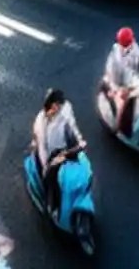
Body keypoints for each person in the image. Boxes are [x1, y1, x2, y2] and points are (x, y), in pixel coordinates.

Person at [32, 88, 86, 218]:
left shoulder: (65, 109)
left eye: (60, 105)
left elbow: (72, 126)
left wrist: (80, 140)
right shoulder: (41, 122)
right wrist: (46, 165)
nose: (60, 107)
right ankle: (52, 205)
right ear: (51, 106)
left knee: (82, 165)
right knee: (52, 176)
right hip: (50, 154)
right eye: (57, 105)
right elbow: (42, 147)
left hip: (65, 149)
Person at [104, 27, 139, 135]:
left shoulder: (134, 46)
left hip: (132, 78)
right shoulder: (114, 57)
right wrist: (114, 89)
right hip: (119, 83)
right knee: (122, 103)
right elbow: (110, 73)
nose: (133, 40)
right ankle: (117, 126)